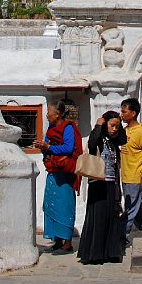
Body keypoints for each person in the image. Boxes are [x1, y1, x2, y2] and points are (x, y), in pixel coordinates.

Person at [77, 110, 127, 264]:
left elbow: (123, 139)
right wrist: (98, 126)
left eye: (117, 126)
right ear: (105, 124)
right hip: (98, 183)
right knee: (98, 217)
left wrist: (118, 125)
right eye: (112, 125)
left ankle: (110, 252)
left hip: (111, 183)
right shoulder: (99, 139)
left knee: (111, 216)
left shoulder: (113, 142)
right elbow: (91, 144)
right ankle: (95, 253)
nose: (114, 129)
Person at [32, 100, 81, 253]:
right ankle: (57, 239)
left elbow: (68, 148)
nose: (47, 115)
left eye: (49, 112)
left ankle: (67, 242)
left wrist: (49, 147)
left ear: (57, 114)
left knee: (64, 205)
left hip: (64, 174)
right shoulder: (51, 129)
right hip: (53, 172)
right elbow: (48, 146)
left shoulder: (67, 128)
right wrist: (42, 147)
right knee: (51, 204)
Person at [118, 97, 142, 241]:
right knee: (136, 207)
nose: (122, 114)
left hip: (136, 175)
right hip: (125, 175)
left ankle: (122, 236)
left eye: (124, 111)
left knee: (130, 208)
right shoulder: (124, 131)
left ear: (133, 113)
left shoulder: (141, 132)